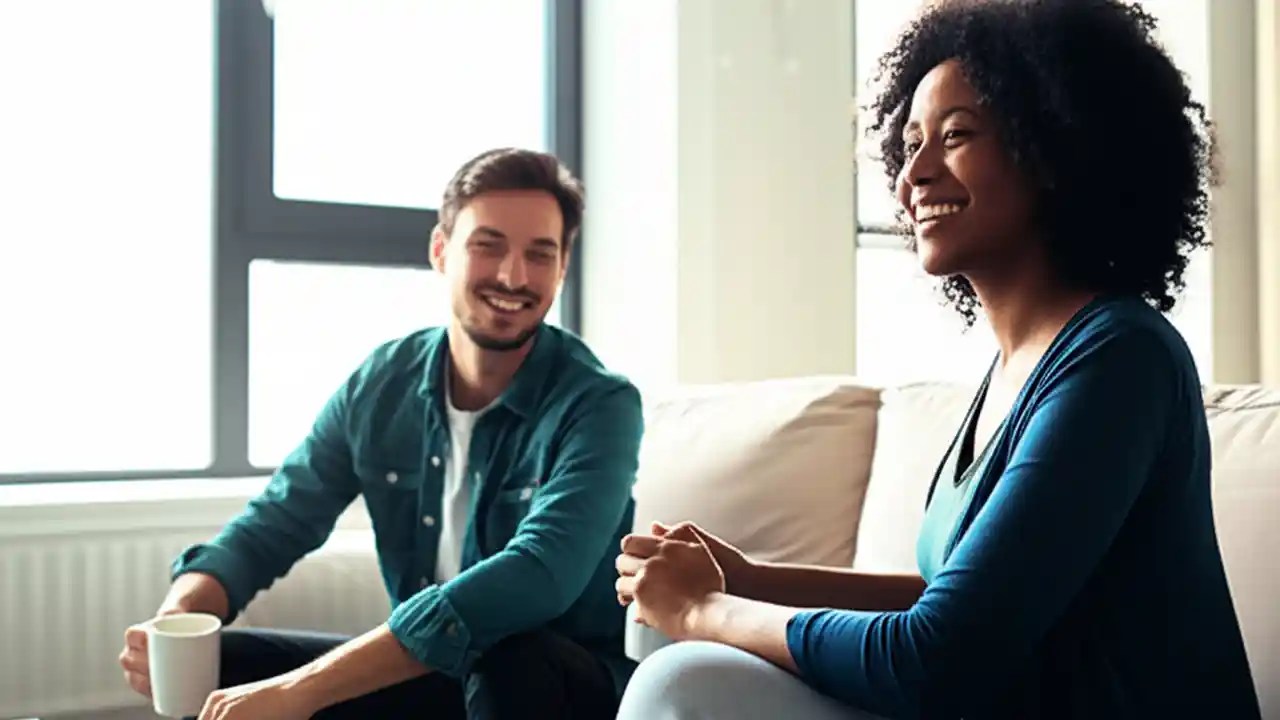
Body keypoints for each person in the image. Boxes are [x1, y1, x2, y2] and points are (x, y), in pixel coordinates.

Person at [614, 1, 1262, 718]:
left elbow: (937, 657)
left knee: (684, 682)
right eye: (910, 142)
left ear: (1053, 148)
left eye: (955, 136)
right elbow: (963, 602)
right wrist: (750, 580)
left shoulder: (1119, 359)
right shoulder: (1014, 370)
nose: (913, 174)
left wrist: (705, 609)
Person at [118, 148, 644, 719]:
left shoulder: (600, 405)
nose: (513, 276)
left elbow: (538, 577)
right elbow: (279, 520)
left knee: (511, 656)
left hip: (554, 688)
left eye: (540, 255)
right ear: (441, 251)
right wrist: (182, 615)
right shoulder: (381, 385)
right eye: (487, 245)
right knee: (225, 667)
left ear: (562, 268)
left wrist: (302, 692)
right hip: (436, 674)